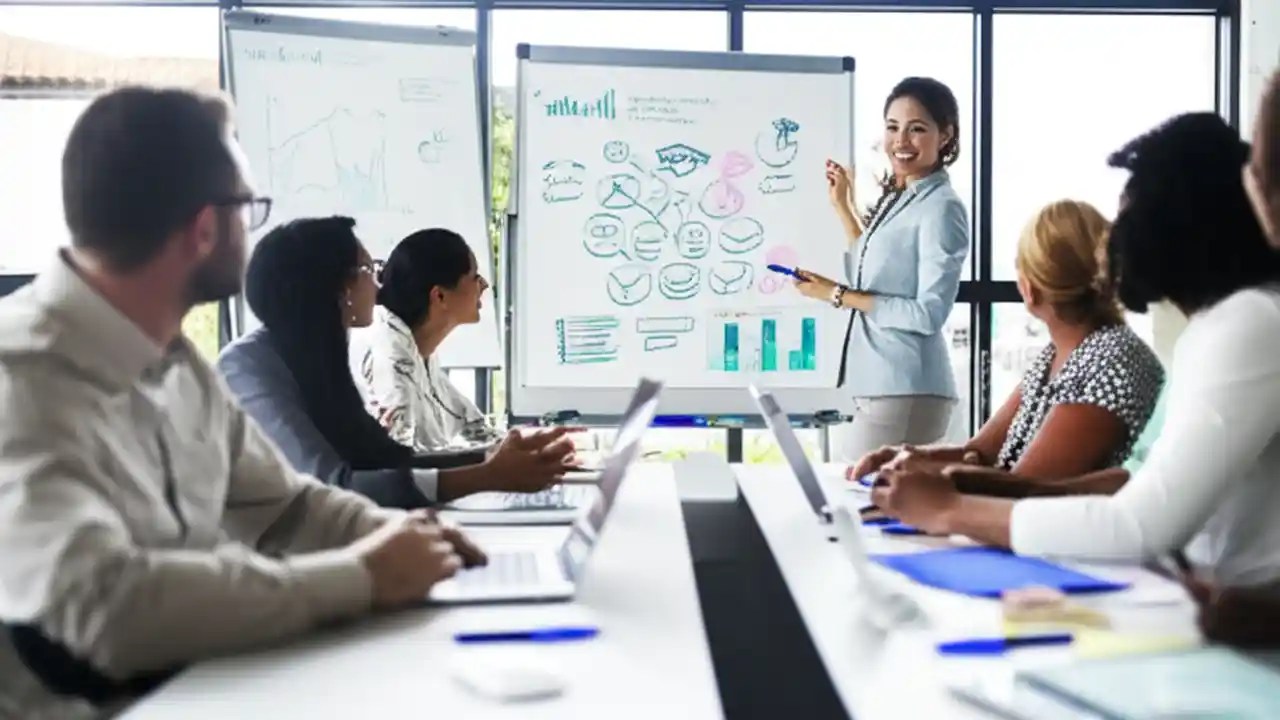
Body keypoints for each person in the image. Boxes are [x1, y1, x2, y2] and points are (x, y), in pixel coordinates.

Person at [0, 87, 491, 718]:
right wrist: (363, 578)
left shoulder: (178, 364)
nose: (253, 229)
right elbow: (106, 607)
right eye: (248, 209)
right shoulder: (21, 378)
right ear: (206, 226)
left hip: (209, 688)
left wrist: (398, 534)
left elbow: (289, 503)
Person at [870, 112, 1280, 587]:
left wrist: (951, 510)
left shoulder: (1250, 322)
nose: (1120, 237)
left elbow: (1142, 526)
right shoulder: (1220, 326)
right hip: (1201, 590)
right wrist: (967, 483)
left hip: (1233, 610)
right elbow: (1136, 481)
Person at [218, 217, 575, 509]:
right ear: (338, 287)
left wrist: (496, 457)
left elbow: (384, 460)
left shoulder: (318, 357)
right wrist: (486, 474)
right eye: (367, 270)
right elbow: (333, 487)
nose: (378, 284)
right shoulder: (247, 369)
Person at [849, 200, 1164, 498]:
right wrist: (907, 457)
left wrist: (929, 480)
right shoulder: (1058, 354)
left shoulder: (1113, 360)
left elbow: (1022, 491)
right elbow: (982, 452)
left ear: (1029, 288)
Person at [792, 77, 970, 463]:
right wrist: (843, 206)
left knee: (851, 496)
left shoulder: (942, 208)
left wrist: (836, 295)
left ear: (945, 136)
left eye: (917, 129)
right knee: (863, 503)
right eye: (892, 127)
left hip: (905, 387)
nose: (900, 141)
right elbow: (869, 273)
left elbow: (928, 314)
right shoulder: (903, 197)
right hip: (877, 385)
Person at [350, 228, 499, 452]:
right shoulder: (388, 351)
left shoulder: (416, 347)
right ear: (439, 296)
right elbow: (409, 457)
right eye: (474, 277)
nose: (484, 285)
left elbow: (471, 428)